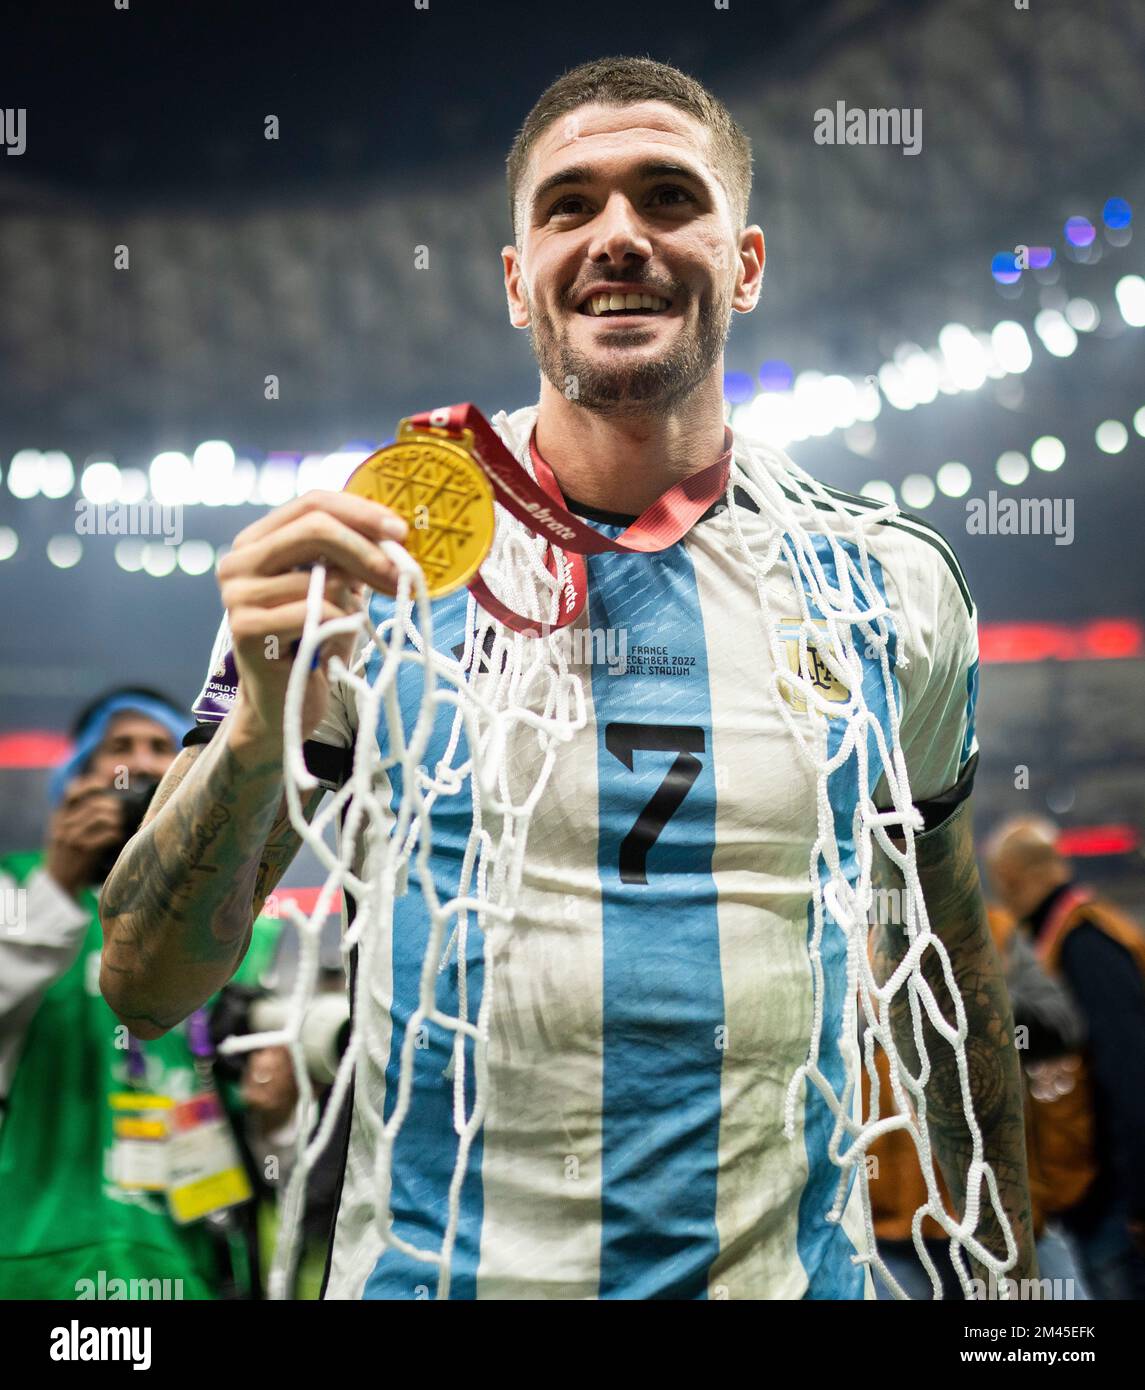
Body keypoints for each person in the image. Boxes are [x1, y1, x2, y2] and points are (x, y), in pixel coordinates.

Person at [100, 56, 1036, 1300]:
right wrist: (264, 731)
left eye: (666, 197)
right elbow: (143, 985)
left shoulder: (884, 587)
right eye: (568, 206)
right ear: (514, 282)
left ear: (744, 263)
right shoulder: (351, 573)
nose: (618, 237)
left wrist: (1016, 1292)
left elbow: (953, 987)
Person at [0, 687, 284, 1299]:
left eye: (165, 748)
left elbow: (273, 1124)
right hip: (33, 1260)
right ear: (75, 778)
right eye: (120, 749)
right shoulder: (15, 891)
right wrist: (57, 878)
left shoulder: (240, 929)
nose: (145, 763)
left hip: (191, 1268)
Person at [986, 816, 1145, 1299]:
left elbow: (1129, 1070)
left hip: (1114, 1196)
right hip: (1103, 1191)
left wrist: (1137, 1198)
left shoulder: (1084, 945)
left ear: (1012, 881)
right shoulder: (1083, 931)